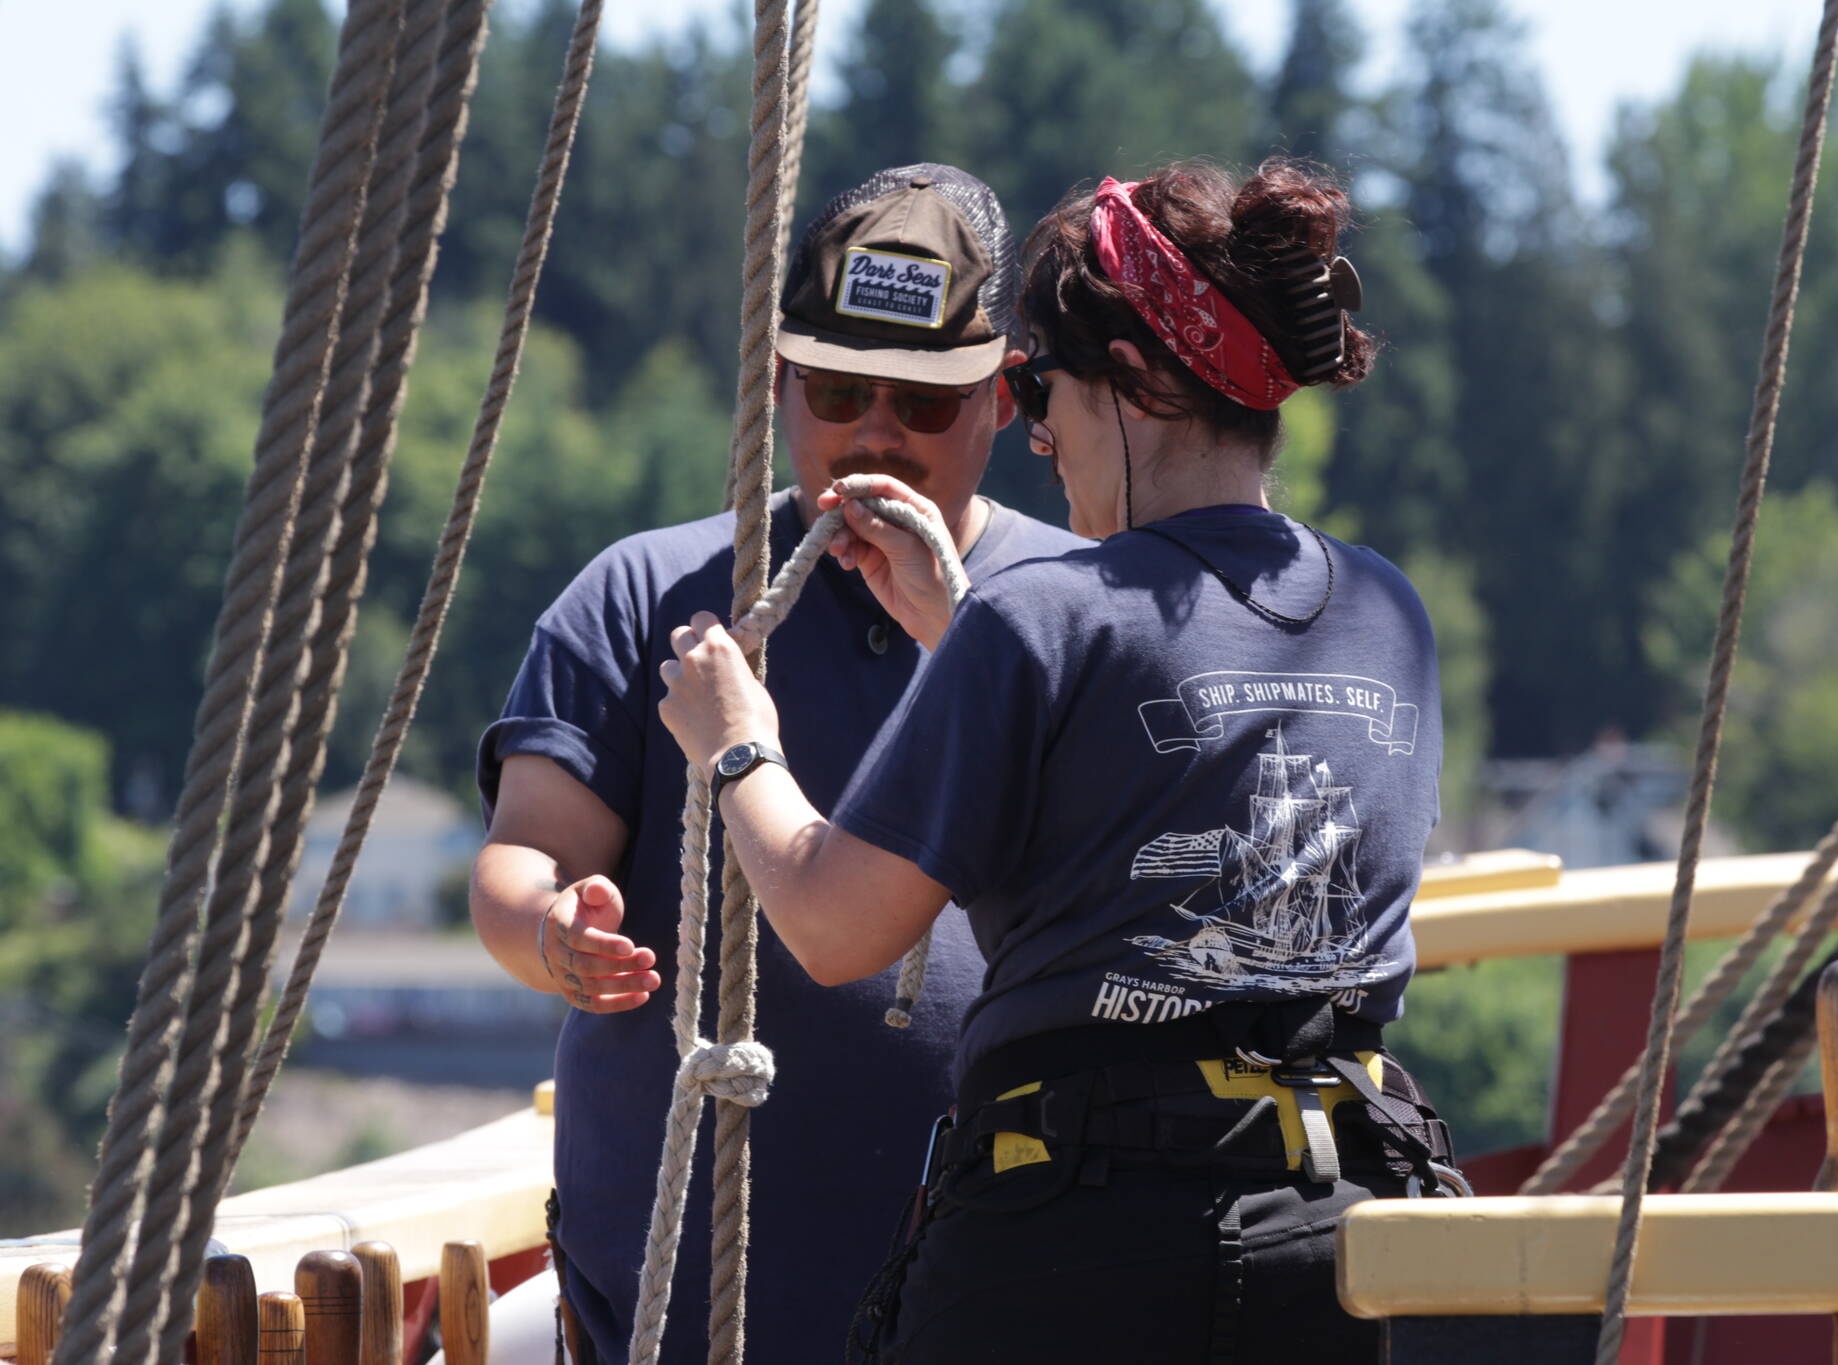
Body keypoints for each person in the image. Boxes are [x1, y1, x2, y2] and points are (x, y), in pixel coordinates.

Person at [659, 158, 1460, 1364]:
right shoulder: (1385, 615)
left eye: (1042, 387)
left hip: (1080, 1252)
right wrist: (959, 631)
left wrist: (736, 747)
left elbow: (833, 926)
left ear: (1130, 384)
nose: (1035, 437)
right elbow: (1142, 755)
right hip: (1351, 1231)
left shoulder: (1042, 614)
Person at [469, 163, 1086, 1365]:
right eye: (840, 390)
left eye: (921, 403)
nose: (874, 434)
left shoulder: (1074, 614)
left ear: (1001, 402)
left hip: (1002, 1294)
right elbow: (519, 859)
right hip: (676, 1302)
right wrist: (554, 933)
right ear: (780, 387)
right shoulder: (645, 598)